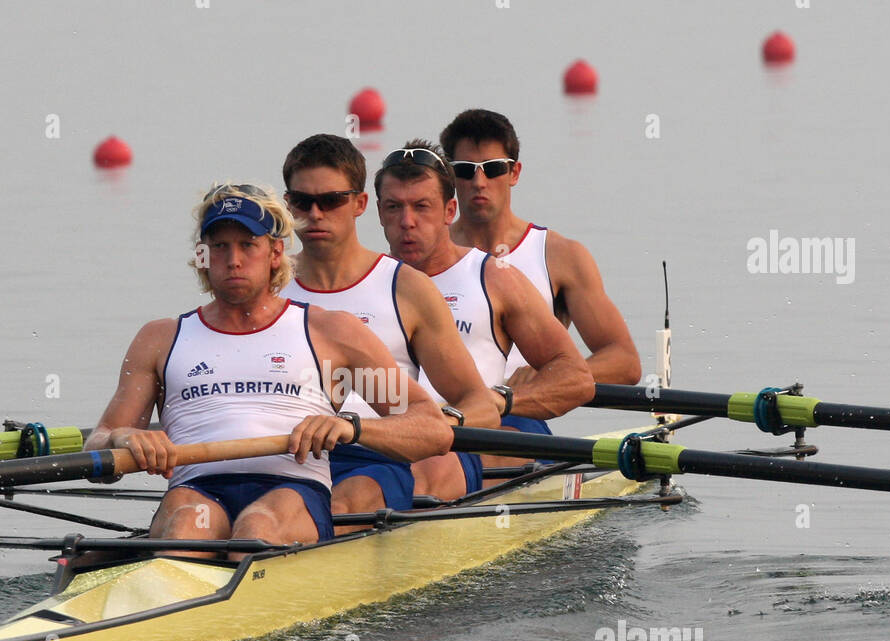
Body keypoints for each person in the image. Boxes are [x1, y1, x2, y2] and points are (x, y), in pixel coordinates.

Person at [84, 183, 452, 555]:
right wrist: (126, 438)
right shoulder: (159, 338)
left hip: (290, 489)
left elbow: (433, 430)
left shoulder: (330, 332)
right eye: (220, 246)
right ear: (202, 256)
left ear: (276, 252)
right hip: (197, 488)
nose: (233, 260)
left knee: (256, 528)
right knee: (185, 526)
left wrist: (350, 426)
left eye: (248, 245)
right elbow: (99, 443)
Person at [278, 134, 499, 519]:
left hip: (376, 458)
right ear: (287, 205)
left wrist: (433, 426)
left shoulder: (407, 287)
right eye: (302, 202)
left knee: (339, 506)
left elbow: (479, 403)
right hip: (284, 459)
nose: (314, 214)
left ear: (360, 204)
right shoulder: (268, 287)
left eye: (330, 201)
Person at [373, 141, 595, 500]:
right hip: (382, 446)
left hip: (464, 445)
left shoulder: (494, 277)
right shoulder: (367, 285)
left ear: (449, 211)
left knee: (430, 468)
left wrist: (503, 401)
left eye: (421, 207)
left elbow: (576, 378)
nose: (407, 222)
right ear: (379, 213)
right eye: (394, 207)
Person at [441, 109, 641, 438]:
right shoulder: (420, 257)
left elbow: (624, 361)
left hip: (517, 418)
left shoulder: (560, 257)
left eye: (493, 169)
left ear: (514, 172)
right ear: (449, 177)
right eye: (465, 171)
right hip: (441, 416)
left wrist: (549, 376)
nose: (479, 182)